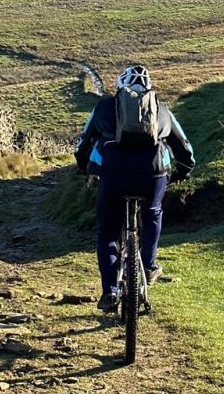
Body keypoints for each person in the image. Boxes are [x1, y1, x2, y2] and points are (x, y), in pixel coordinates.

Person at [75, 64, 195, 312]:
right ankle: (148, 266)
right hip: (153, 175)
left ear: (120, 86)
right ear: (148, 88)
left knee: (108, 232)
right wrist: (183, 171)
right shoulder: (161, 109)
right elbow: (183, 147)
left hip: (113, 175)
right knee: (152, 213)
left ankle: (110, 290)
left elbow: (83, 143)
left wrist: (84, 167)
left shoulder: (104, 107)